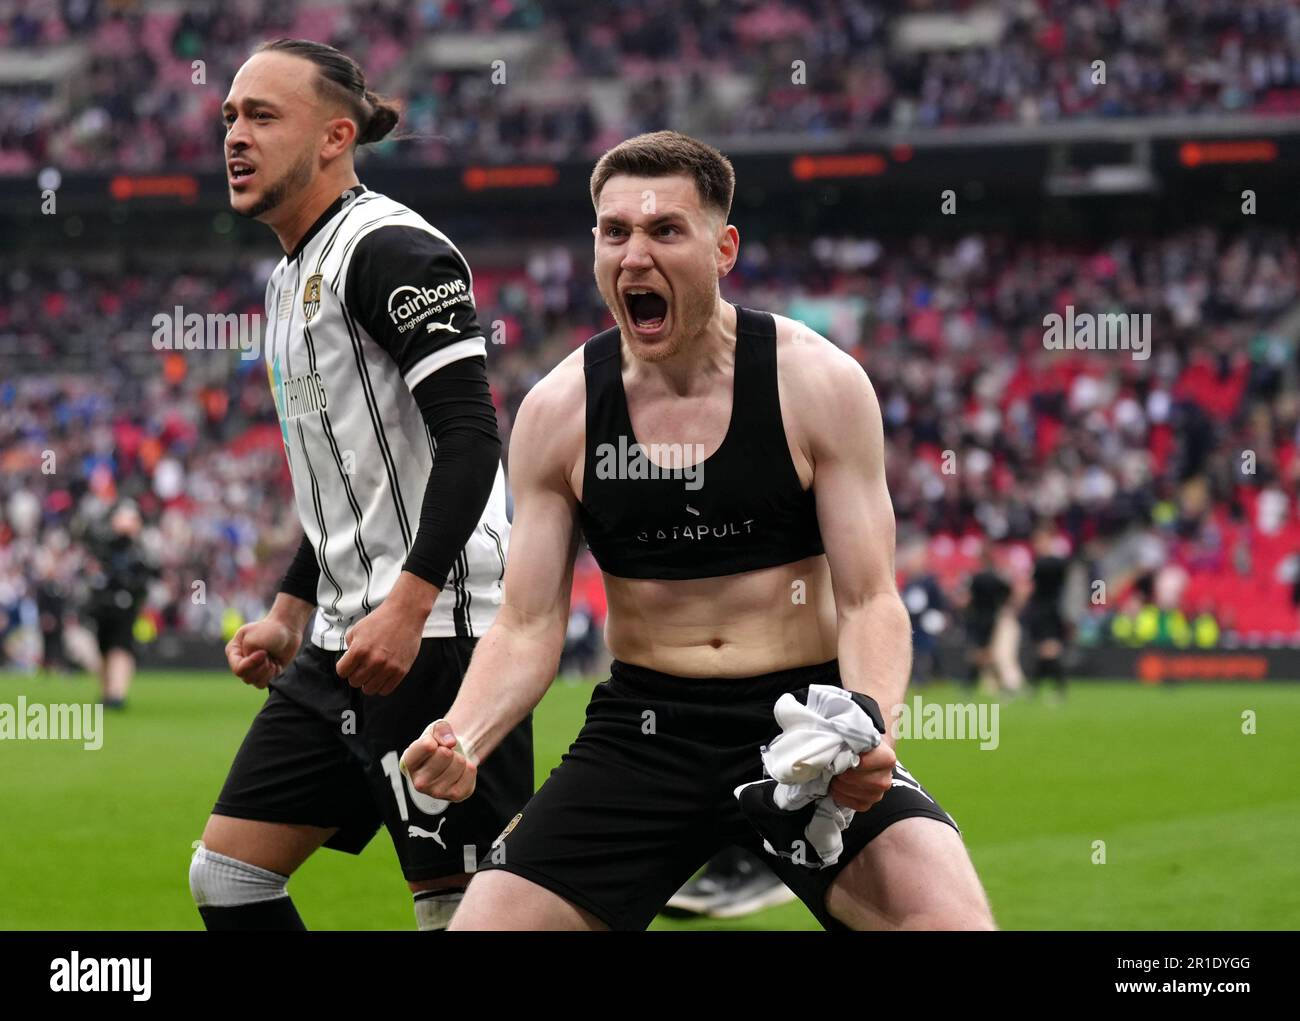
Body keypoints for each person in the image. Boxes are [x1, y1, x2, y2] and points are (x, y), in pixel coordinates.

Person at [402, 131, 994, 931]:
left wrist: (864, 726)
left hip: (800, 725)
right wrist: (463, 734)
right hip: (642, 732)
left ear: (724, 249)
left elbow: (869, 599)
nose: (634, 255)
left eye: (665, 231)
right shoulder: (559, 411)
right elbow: (528, 621)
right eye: (615, 232)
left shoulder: (816, 382)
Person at [190, 39, 531, 932]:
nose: (235, 133)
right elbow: (349, 479)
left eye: (262, 115)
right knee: (228, 876)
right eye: (229, 114)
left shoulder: (393, 249)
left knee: (460, 914)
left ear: (336, 135)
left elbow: (471, 436)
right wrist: (289, 612)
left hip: (441, 634)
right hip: (342, 640)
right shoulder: (285, 279)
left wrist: (410, 604)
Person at [84, 503, 155, 708]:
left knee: (120, 648)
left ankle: (117, 693)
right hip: (103, 607)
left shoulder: (140, 549)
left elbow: (146, 576)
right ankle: (108, 691)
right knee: (104, 649)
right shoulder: (104, 543)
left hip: (126, 607)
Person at [1023, 525, 1070, 701]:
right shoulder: (1060, 562)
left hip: (1045, 611)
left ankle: (1056, 689)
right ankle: (1036, 688)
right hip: (1050, 609)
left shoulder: (1043, 564)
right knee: (1043, 651)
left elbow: (1030, 587)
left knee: (1048, 651)